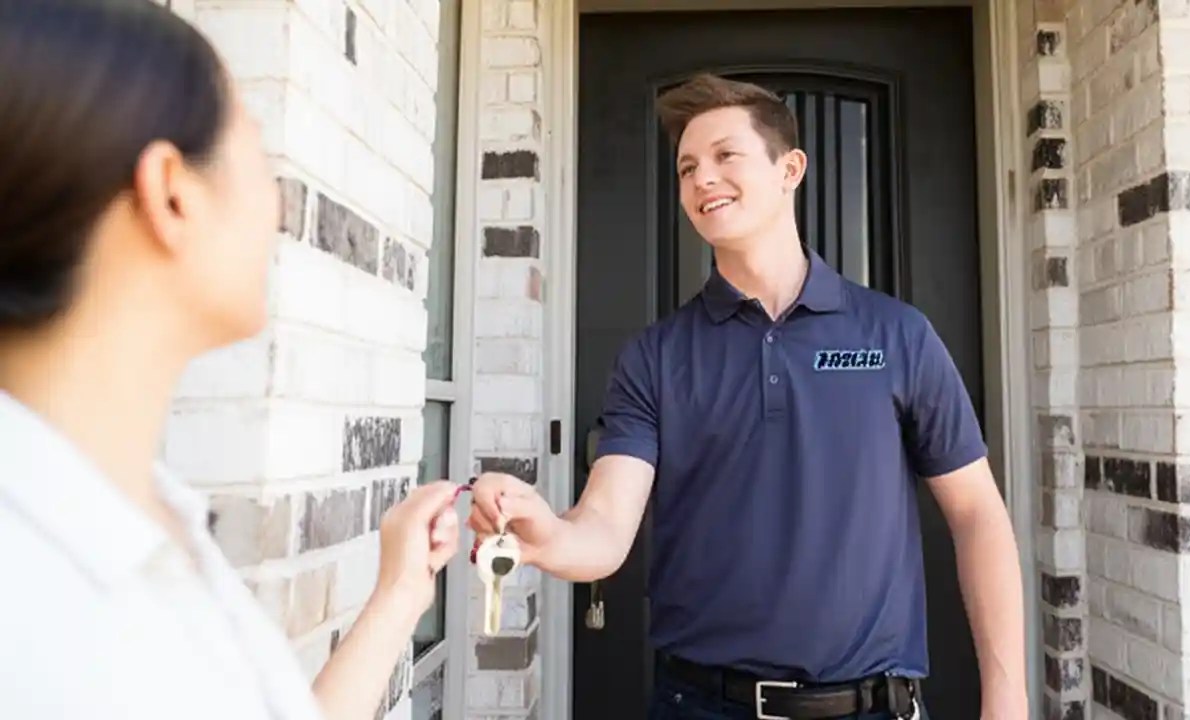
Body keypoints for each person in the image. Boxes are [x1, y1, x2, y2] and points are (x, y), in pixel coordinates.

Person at [470, 73, 1028, 719]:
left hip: (872, 707)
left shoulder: (897, 334)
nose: (701, 178)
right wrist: (548, 538)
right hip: (699, 705)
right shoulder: (656, 357)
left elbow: (977, 515)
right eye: (686, 168)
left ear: (790, 168)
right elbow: (605, 528)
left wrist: (1007, 699)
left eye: (725, 156)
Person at [0, 2, 460, 718]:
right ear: (172, 196)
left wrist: (400, 592)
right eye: (258, 152)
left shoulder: (145, 515)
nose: (278, 206)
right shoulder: (35, 606)